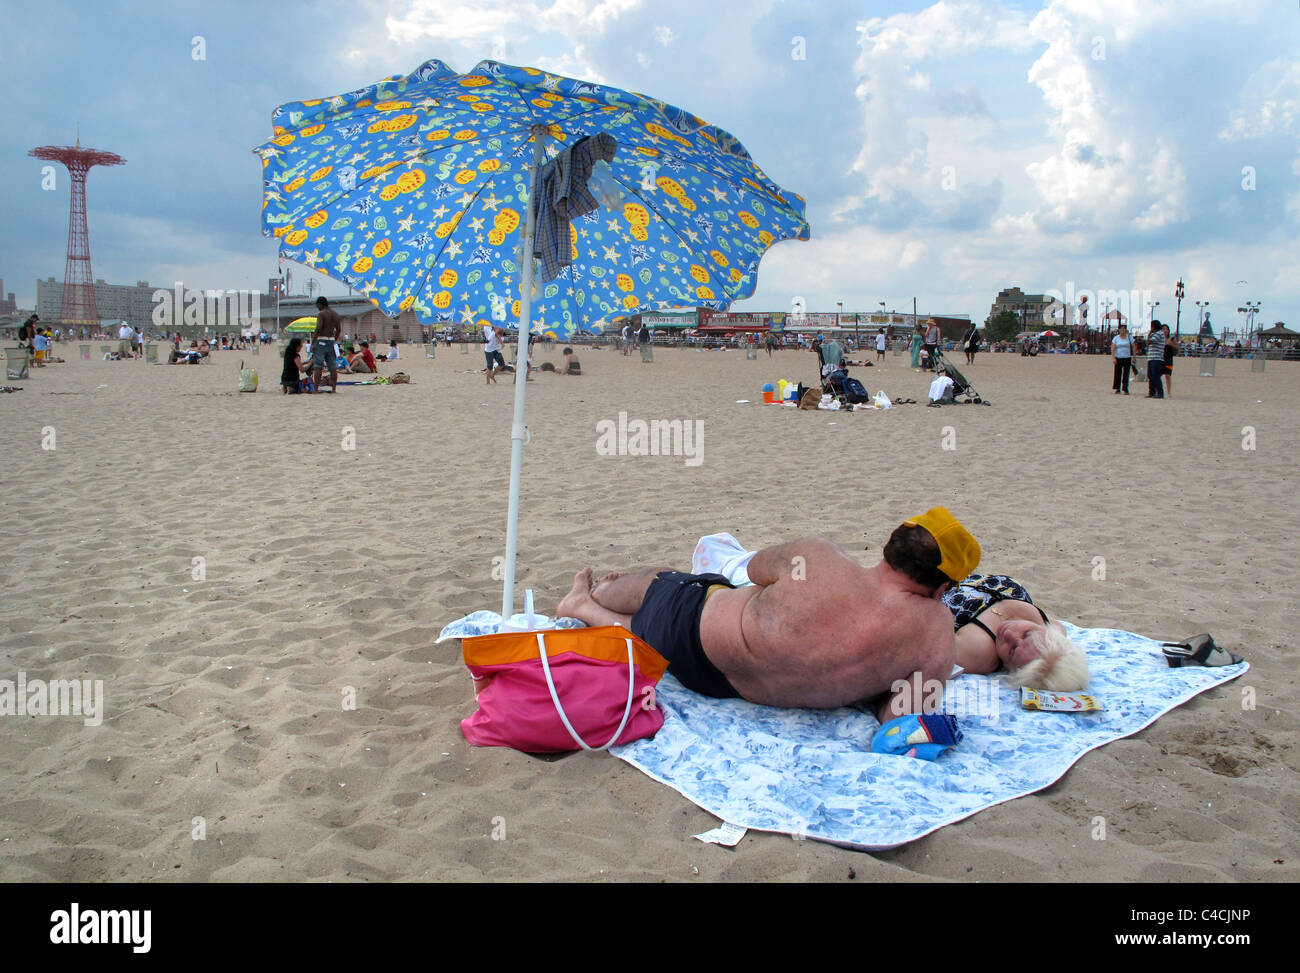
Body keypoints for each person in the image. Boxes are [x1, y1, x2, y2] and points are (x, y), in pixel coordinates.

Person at [555, 508, 980, 724]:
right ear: (943, 587)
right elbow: (900, 717)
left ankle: (596, 595)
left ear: (891, 542)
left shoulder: (818, 556)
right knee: (661, 618)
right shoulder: (936, 635)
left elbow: (755, 570)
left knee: (663, 581)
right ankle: (585, 608)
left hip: (696, 634)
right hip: (728, 687)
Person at [942, 573, 1089, 691]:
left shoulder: (977, 651)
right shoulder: (1053, 627)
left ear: (1009, 669)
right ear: (1048, 631)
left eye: (1012, 651)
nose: (1010, 634)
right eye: (1028, 634)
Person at [311, 296, 342, 392]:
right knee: (332, 366)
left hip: (321, 340)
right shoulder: (335, 314)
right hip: (331, 340)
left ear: (320, 304)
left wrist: (313, 342)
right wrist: (334, 339)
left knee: (318, 366)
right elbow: (338, 329)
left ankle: (315, 389)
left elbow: (319, 328)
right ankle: (333, 389)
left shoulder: (321, 314)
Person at [1111, 322, 1135, 394]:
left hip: (1127, 357)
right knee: (1118, 373)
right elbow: (1114, 348)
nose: (1122, 330)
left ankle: (1125, 388)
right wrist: (1114, 358)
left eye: (1124, 328)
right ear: (1119, 329)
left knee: (1126, 374)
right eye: (1121, 328)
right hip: (1118, 357)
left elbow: (1133, 347)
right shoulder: (1116, 338)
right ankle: (1117, 388)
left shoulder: (1129, 337)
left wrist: (1134, 356)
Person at [1145, 320, 1166, 398]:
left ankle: (1160, 392)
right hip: (1151, 357)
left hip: (1156, 358)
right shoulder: (1155, 334)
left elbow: (1149, 342)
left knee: (1155, 376)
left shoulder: (1159, 334)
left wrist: (1149, 334)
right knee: (1150, 376)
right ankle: (1152, 392)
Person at [1161, 324, 1176, 398]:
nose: (1165, 330)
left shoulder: (1172, 339)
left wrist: (1171, 344)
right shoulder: (1159, 338)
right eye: (1163, 329)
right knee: (1157, 375)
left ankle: (1169, 392)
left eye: (1166, 329)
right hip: (1160, 359)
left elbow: (1177, 348)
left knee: (1168, 375)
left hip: (1169, 359)